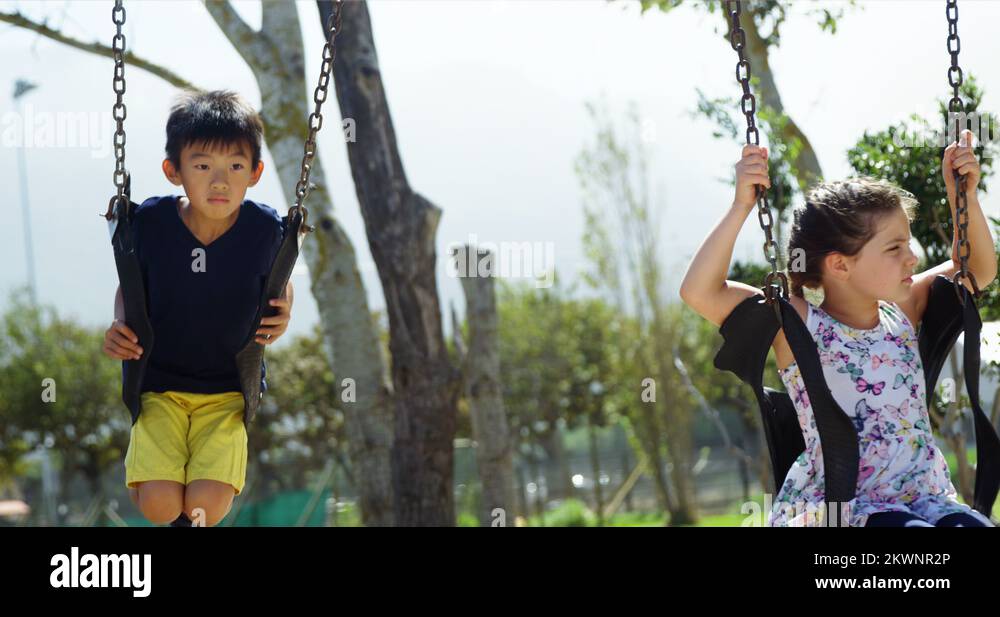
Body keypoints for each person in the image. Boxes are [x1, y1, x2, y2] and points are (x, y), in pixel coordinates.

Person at [680, 129, 996, 527]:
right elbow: (699, 291)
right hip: (844, 508)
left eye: (909, 243)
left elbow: (977, 269)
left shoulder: (904, 309)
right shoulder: (797, 326)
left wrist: (963, 196)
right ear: (840, 265)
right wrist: (742, 205)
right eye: (894, 247)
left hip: (924, 496)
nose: (912, 258)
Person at [102, 90, 293, 527]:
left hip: (226, 392)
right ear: (174, 171)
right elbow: (130, 285)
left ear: (255, 173)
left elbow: (280, 280)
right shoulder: (151, 224)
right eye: (203, 166)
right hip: (158, 387)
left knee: (207, 507)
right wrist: (119, 322)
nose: (220, 181)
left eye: (235, 167)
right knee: (160, 507)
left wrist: (285, 311)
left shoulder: (264, 230)